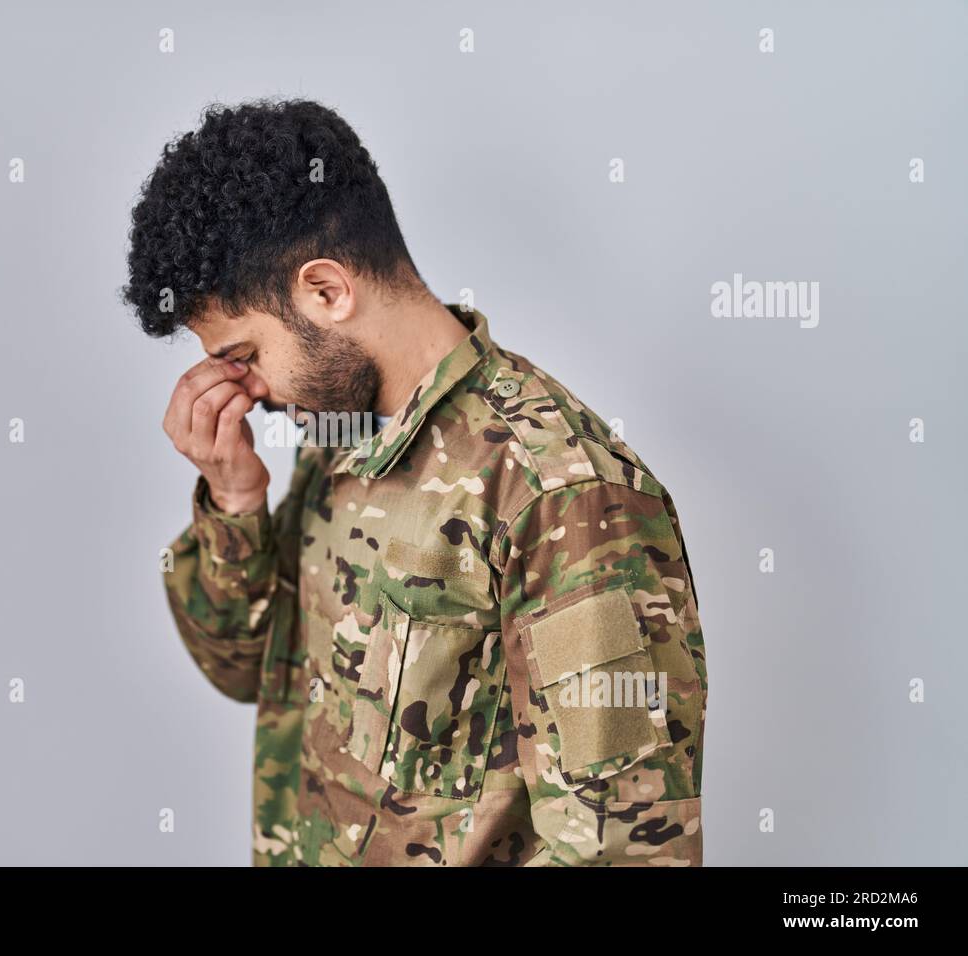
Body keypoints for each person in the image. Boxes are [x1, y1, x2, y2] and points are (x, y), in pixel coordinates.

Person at [124, 98, 708, 866]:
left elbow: (629, 851)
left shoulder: (560, 493)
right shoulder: (336, 436)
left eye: (244, 356)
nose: (246, 391)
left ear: (327, 292)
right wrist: (234, 504)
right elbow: (244, 672)